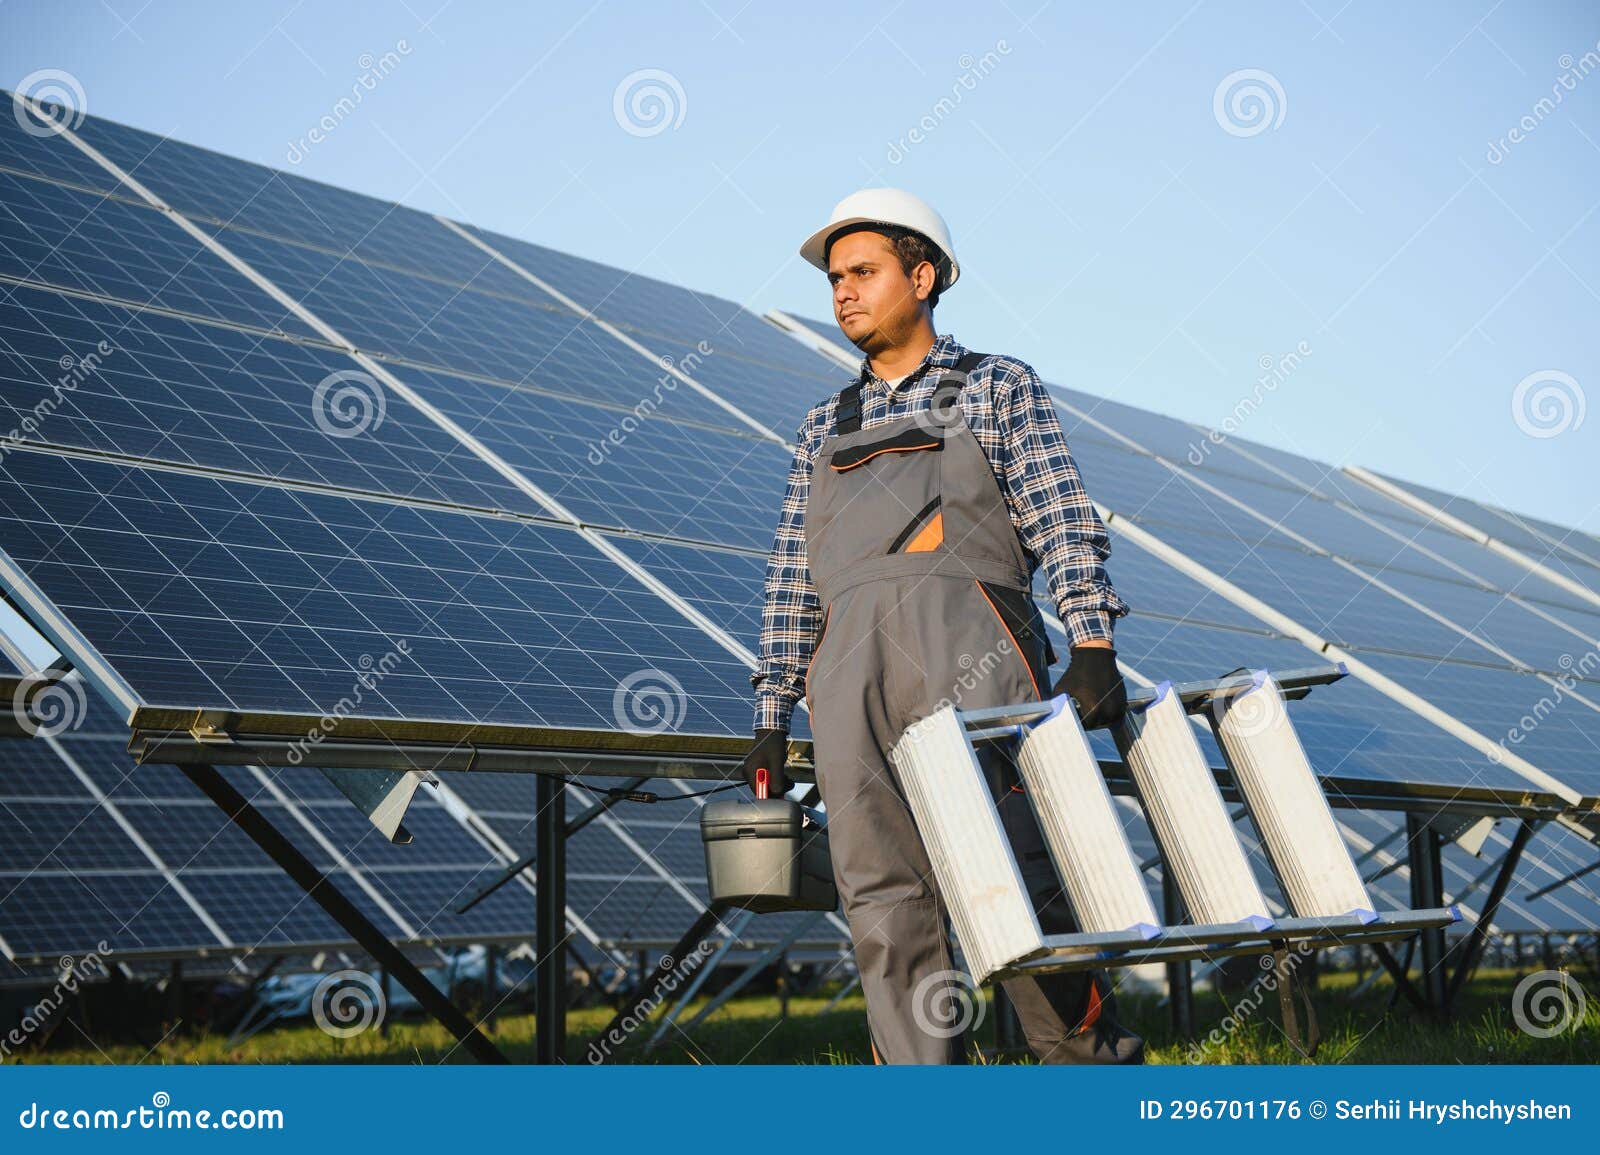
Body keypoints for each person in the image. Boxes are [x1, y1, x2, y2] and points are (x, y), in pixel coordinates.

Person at [741, 188, 1146, 1064]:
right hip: (849, 691)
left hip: (979, 665)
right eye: (834, 278)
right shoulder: (822, 426)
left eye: (864, 272)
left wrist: (1092, 640)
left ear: (921, 277)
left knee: (1020, 890)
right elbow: (790, 579)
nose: (843, 291)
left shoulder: (998, 387)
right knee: (884, 906)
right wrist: (772, 710)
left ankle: (1094, 1076)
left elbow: (1060, 516)